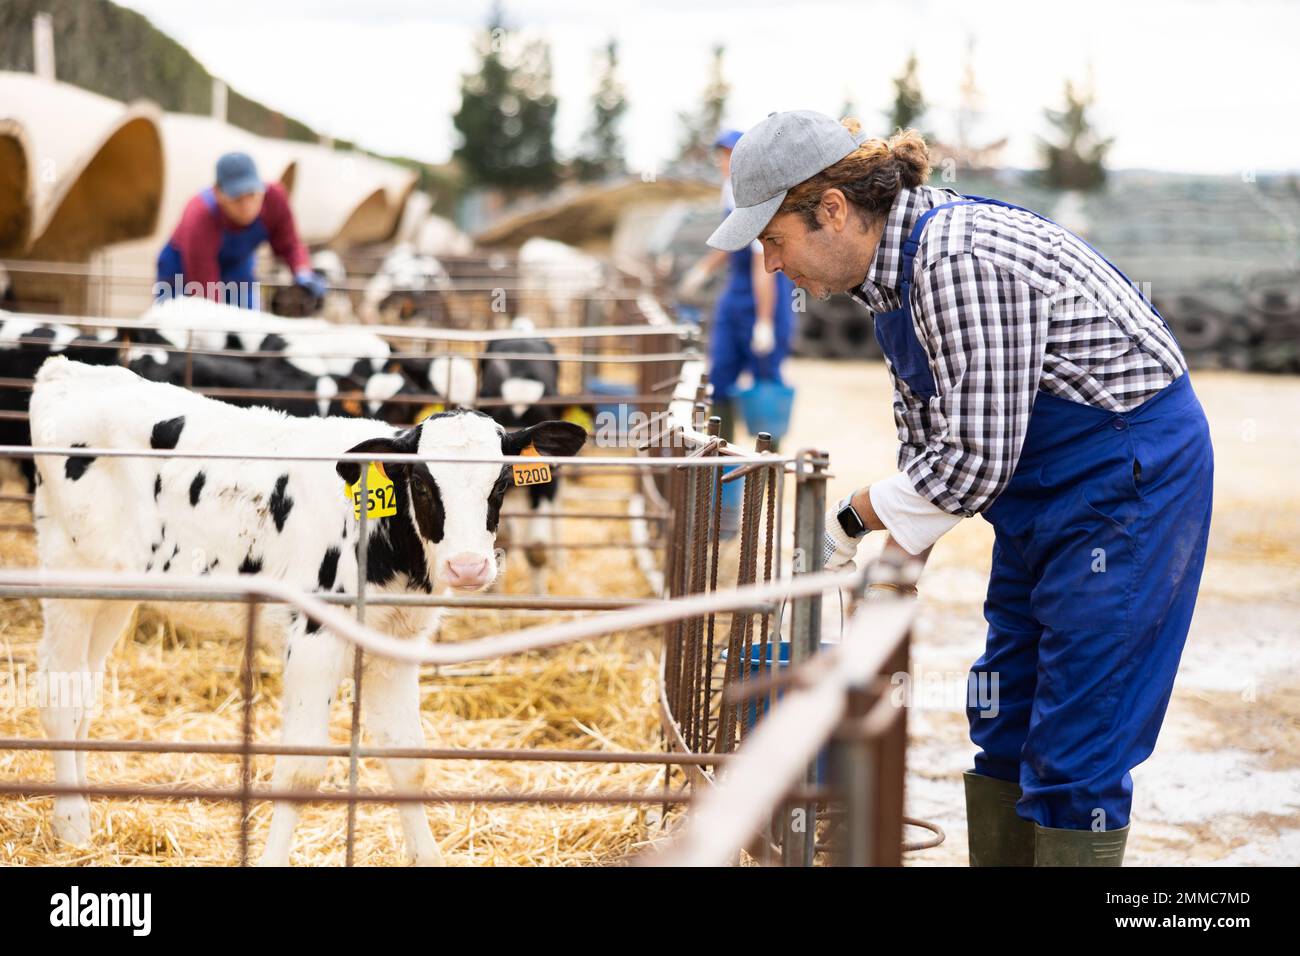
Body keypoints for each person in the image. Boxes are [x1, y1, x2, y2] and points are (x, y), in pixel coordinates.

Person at [707, 110, 1214, 867]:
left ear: (834, 211)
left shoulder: (955, 260)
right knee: (1005, 709)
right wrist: (891, 574)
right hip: (1044, 489)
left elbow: (974, 460)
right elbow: (928, 452)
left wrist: (847, 522)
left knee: (1082, 727)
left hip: (1125, 475)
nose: (773, 267)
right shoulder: (891, 287)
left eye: (775, 240)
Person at [680, 129, 796, 444]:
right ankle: (722, 458)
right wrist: (703, 269)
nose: (723, 161)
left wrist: (764, 321)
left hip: (763, 293)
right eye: (721, 155)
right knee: (719, 375)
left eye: (729, 155)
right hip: (736, 291)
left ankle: (767, 462)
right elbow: (730, 240)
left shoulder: (757, 194)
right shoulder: (728, 189)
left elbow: (764, 265)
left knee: (765, 379)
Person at [155, 152, 324, 310]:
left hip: (237, 266)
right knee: (180, 325)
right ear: (218, 193)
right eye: (237, 198)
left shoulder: (275, 199)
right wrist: (213, 320)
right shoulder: (200, 216)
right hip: (182, 269)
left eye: (252, 194)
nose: (247, 206)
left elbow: (289, 244)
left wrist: (302, 271)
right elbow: (205, 289)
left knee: (248, 324)